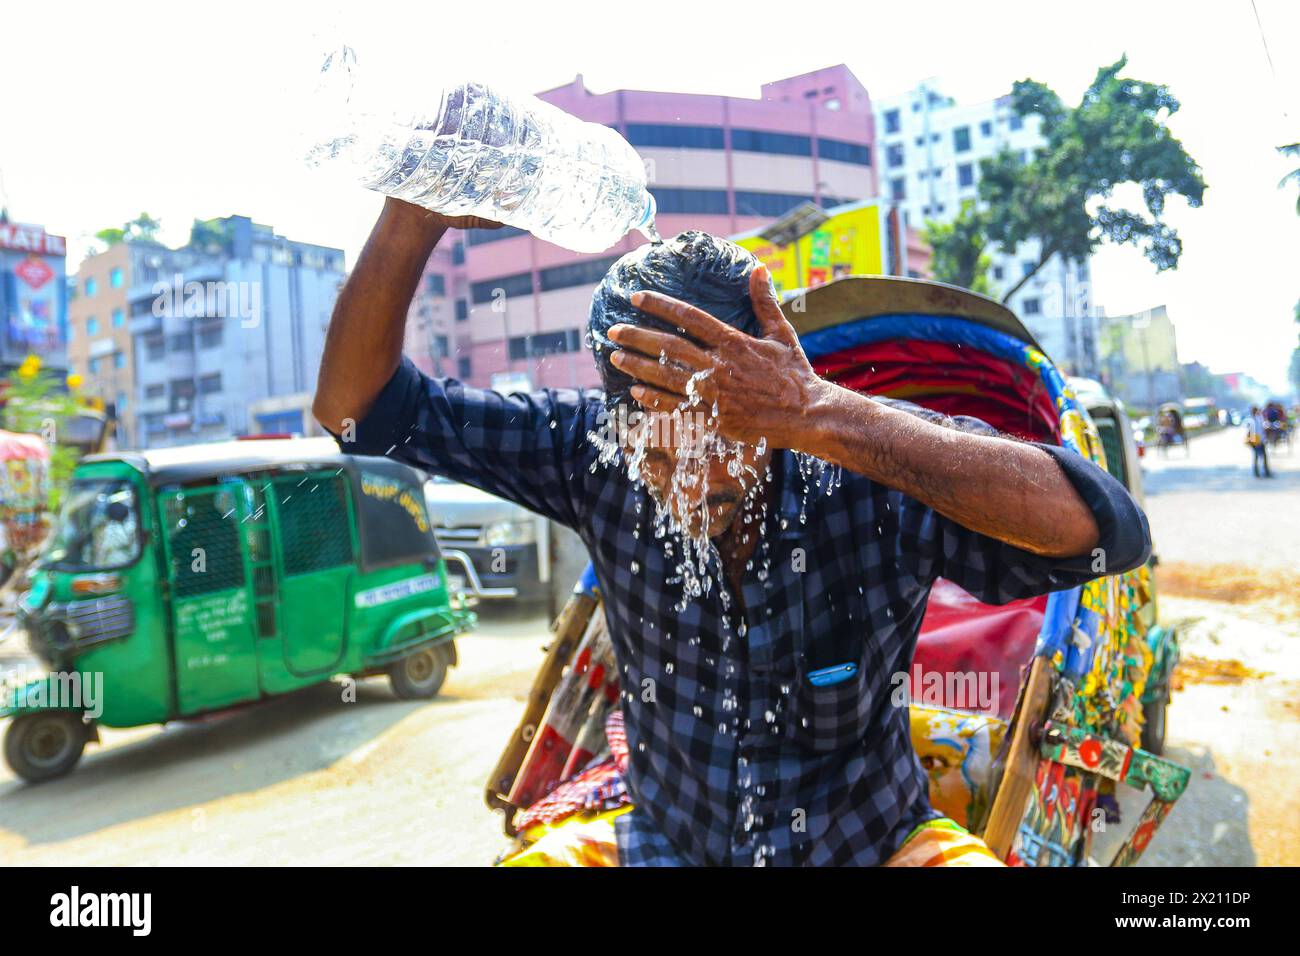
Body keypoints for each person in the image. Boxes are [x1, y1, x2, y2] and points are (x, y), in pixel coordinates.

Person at [313, 200, 1151, 867]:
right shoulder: (590, 456)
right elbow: (354, 410)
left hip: (872, 846)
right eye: (659, 439)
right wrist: (411, 216)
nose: (694, 472)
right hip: (667, 842)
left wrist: (819, 412)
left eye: (723, 428)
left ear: (770, 391)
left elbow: (1107, 528)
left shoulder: (860, 461)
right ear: (616, 424)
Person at [1246, 405, 1271, 478]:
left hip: (1261, 440)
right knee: (1257, 457)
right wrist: (1252, 442)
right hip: (1255, 441)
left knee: (1264, 457)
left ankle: (1266, 472)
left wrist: (1265, 438)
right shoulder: (1251, 420)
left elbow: (1263, 430)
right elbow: (1250, 432)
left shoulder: (1259, 419)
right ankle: (1257, 473)